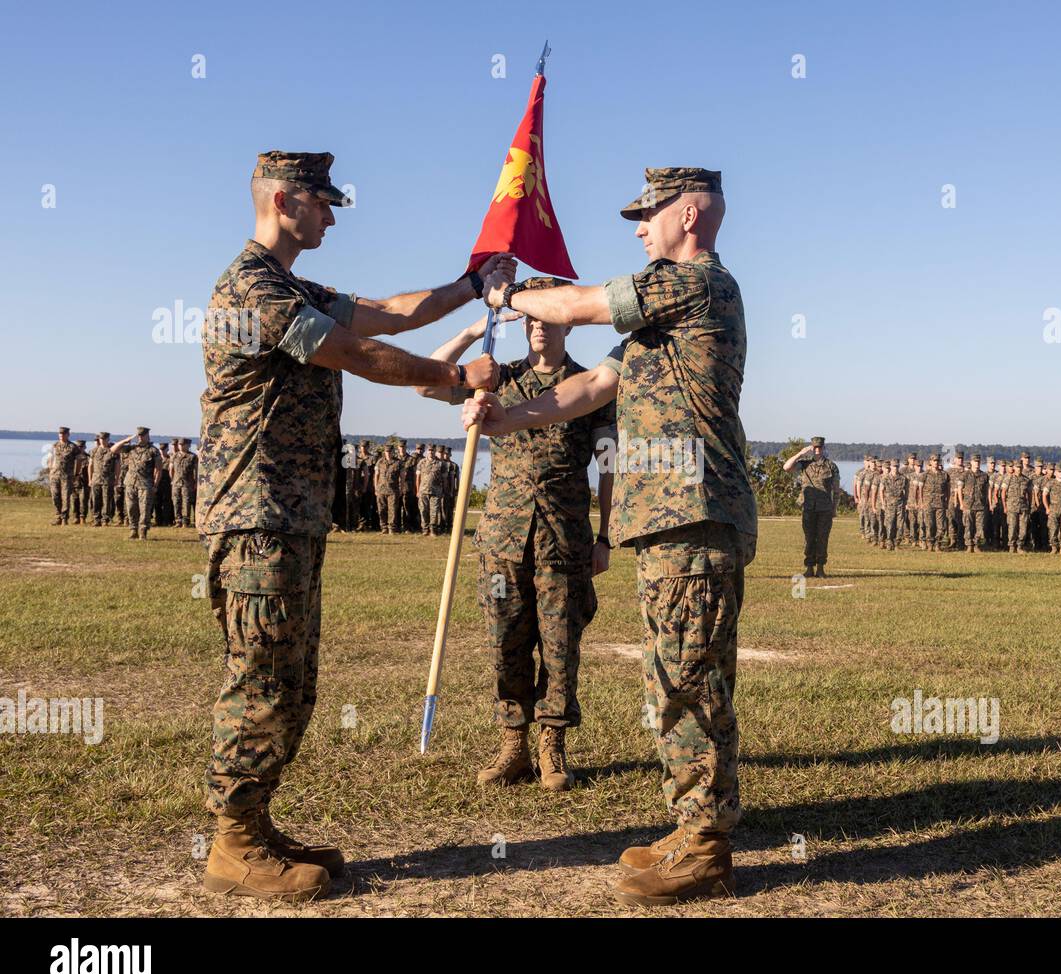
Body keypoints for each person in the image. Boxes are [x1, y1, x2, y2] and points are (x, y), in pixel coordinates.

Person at [197, 149, 509, 903]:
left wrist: (473, 287)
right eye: (322, 202)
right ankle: (232, 843)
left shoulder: (294, 286)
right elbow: (354, 352)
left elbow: (390, 314)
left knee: (294, 681)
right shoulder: (253, 291)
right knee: (262, 679)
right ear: (282, 200)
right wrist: (451, 375)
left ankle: (256, 823)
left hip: (291, 518)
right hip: (257, 518)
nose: (332, 215)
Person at [465, 166, 756, 907]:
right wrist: (508, 417)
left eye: (647, 214)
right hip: (669, 522)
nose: (637, 227)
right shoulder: (662, 318)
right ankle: (694, 828)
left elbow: (582, 304)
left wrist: (504, 292)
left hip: (692, 516)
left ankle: (704, 846)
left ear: (688, 214)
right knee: (676, 677)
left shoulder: (695, 284)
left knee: (689, 682)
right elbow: (590, 389)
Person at [422, 278, 616, 791]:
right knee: (505, 641)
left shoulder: (592, 388)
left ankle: (552, 746)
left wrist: (604, 537)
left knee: (559, 646)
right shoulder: (497, 380)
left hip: (563, 538)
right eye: (529, 318)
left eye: (545, 317)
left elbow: (608, 467)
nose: (535, 325)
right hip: (503, 540)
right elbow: (426, 383)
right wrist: (470, 330)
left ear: (566, 322)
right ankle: (513, 744)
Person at [785, 437, 839, 575]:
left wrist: (834, 509)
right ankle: (809, 567)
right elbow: (786, 467)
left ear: (823, 448)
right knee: (809, 538)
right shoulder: (804, 464)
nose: (817, 450)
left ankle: (820, 568)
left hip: (825, 508)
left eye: (819, 448)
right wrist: (800, 453)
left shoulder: (831, 466)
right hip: (808, 507)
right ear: (811, 448)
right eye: (814, 448)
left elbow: (836, 490)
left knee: (822, 538)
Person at [111, 427, 161, 539]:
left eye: (142, 435)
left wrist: (155, 485)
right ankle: (133, 530)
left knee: (144, 509)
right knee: (131, 507)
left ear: (148, 436)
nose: (140, 437)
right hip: (130, 483)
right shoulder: (131, 448)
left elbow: (158, 470)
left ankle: (143, 531)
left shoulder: (153, 450)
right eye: (138, 435)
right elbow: (113, 450)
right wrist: (124, 441)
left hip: (145, 484)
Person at [48, 427, 78, 526]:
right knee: (55, 496)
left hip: (67, 476)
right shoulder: (55, 445)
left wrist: (75, 473)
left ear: (68, 435)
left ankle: (65, 518)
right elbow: (51, 458)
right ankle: (58, 516)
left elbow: (79, 460)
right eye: (60, 434)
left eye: (63, 434)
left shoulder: (73, 447)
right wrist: (50, 469)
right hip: (55, 475)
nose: (61, 435)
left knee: (66, 497)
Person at [89, 432, 116, 526]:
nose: (102, 440)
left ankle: (105, 519)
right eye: (101, 439)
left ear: (108, 439)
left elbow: (117, 466)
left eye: (104, 439)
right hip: (96, 479)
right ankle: (96, 519)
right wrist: (90, 479)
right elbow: (90, 465)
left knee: (107, 500)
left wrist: (116, 478)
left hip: (108, 479)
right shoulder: (94, 451)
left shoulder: (112, 451)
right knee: (96, 500)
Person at [172, 438, 198, 528]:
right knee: (176, 501)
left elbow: (196, 471)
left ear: (188, 445)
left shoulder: (192, 456)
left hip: (187, 483)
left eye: (183, 444)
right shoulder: (175, 456)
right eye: (179, 444)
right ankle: (178, 521)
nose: (181, 446)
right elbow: (171, 469)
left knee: (186, 502)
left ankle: (185, 521)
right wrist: (172, 480)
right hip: (176, 482)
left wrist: (195, 482)